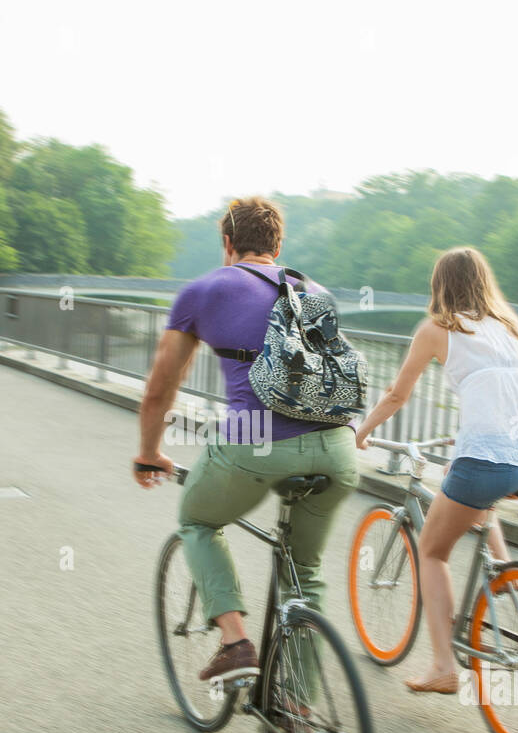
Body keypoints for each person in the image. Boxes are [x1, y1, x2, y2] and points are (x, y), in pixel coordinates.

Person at [134, 197, 360, 686]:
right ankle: (299, 705)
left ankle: (236, 643)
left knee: (197, 519)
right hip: (339, 447)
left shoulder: (203, 290)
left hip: (256, 440)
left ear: (228, 243)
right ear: (278, 246)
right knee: (305, 571)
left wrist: (150, 453)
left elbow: (159, 390)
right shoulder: (313, 291)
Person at [354, 247, 518, 694]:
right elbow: (499, 393)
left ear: (439, 285)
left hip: (491, 459)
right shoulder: (511, 327)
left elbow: (397, 394)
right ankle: (504, 571)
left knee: (432, 550)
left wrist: (363, 430)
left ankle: (444, 667)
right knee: (469, 481)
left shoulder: (437, 329)